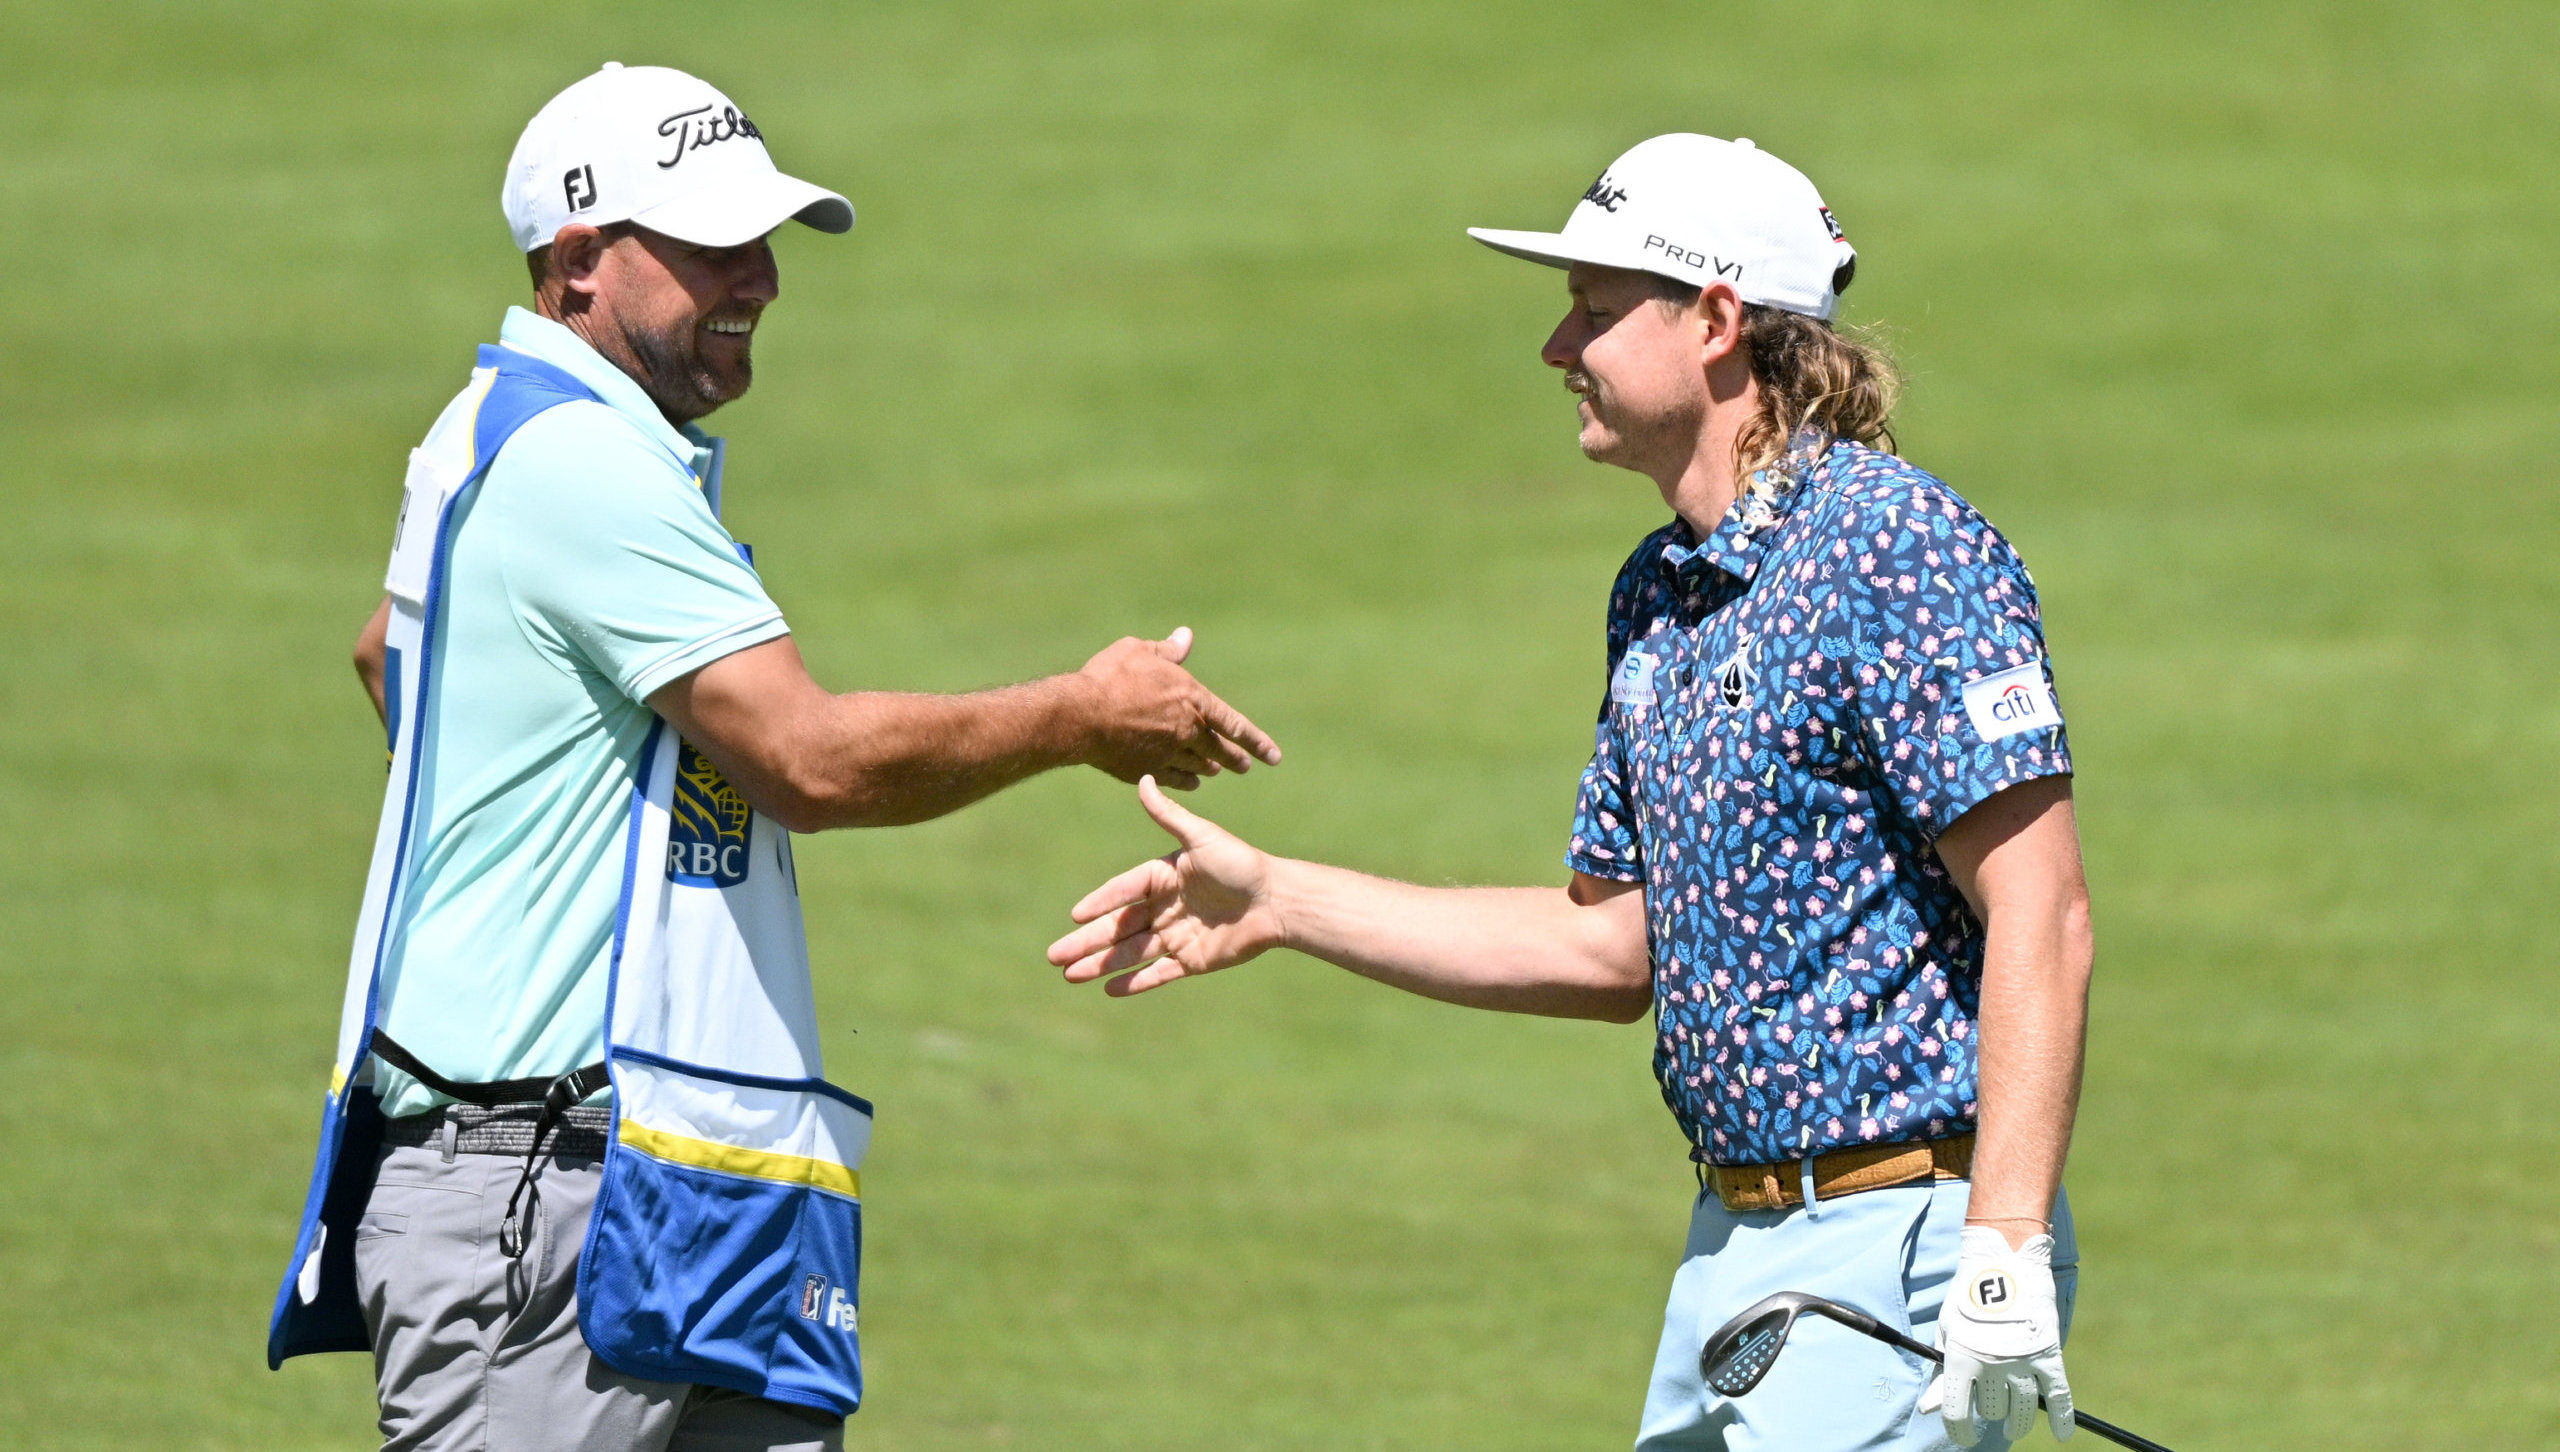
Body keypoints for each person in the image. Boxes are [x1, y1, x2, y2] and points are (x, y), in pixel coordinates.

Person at [267, 62, 1279, 1452]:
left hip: (674, 1172)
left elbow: (393, 649)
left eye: (764, 238)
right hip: (547, 1198)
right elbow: (808, 761)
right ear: (578, 261)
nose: (760, 278)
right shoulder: (585, 466)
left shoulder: (492, 428)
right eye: (711, 245)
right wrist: (1081, 714)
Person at [1047, 134, 2091, 1451]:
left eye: (1594, 311)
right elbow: (1610, 948)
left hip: (1899, 1245)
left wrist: (2004, 1245)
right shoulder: (1658, 592)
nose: (1557, 347)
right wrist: (1280, 901)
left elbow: (2042, 906)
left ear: (1715, 322)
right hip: (1737, 1251)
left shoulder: (1898, 551)